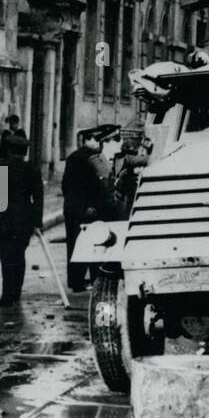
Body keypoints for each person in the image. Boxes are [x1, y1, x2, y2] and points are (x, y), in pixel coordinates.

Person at [61, 124, 119, 292]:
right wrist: (92, 206)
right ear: (88, 140)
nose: (98, 143)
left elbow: (66, 185)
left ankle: (75, 280)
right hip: (88, 209)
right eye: (96, 140)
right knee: (92, 243)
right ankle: (90, 280)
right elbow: (95, 187)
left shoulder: (73, 157)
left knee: (74, 244)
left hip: (73, 208)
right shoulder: (92, 158)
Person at [0, 133, 43, 307]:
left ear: (9, 150)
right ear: (25, 152)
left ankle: (7, 294)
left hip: (4, 218)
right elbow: (38, 198)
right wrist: (37, 222)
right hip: (24, 219)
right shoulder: (32, 169)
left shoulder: (0, 168)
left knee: (6, 258)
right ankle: (16, 292)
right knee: (19, 256)